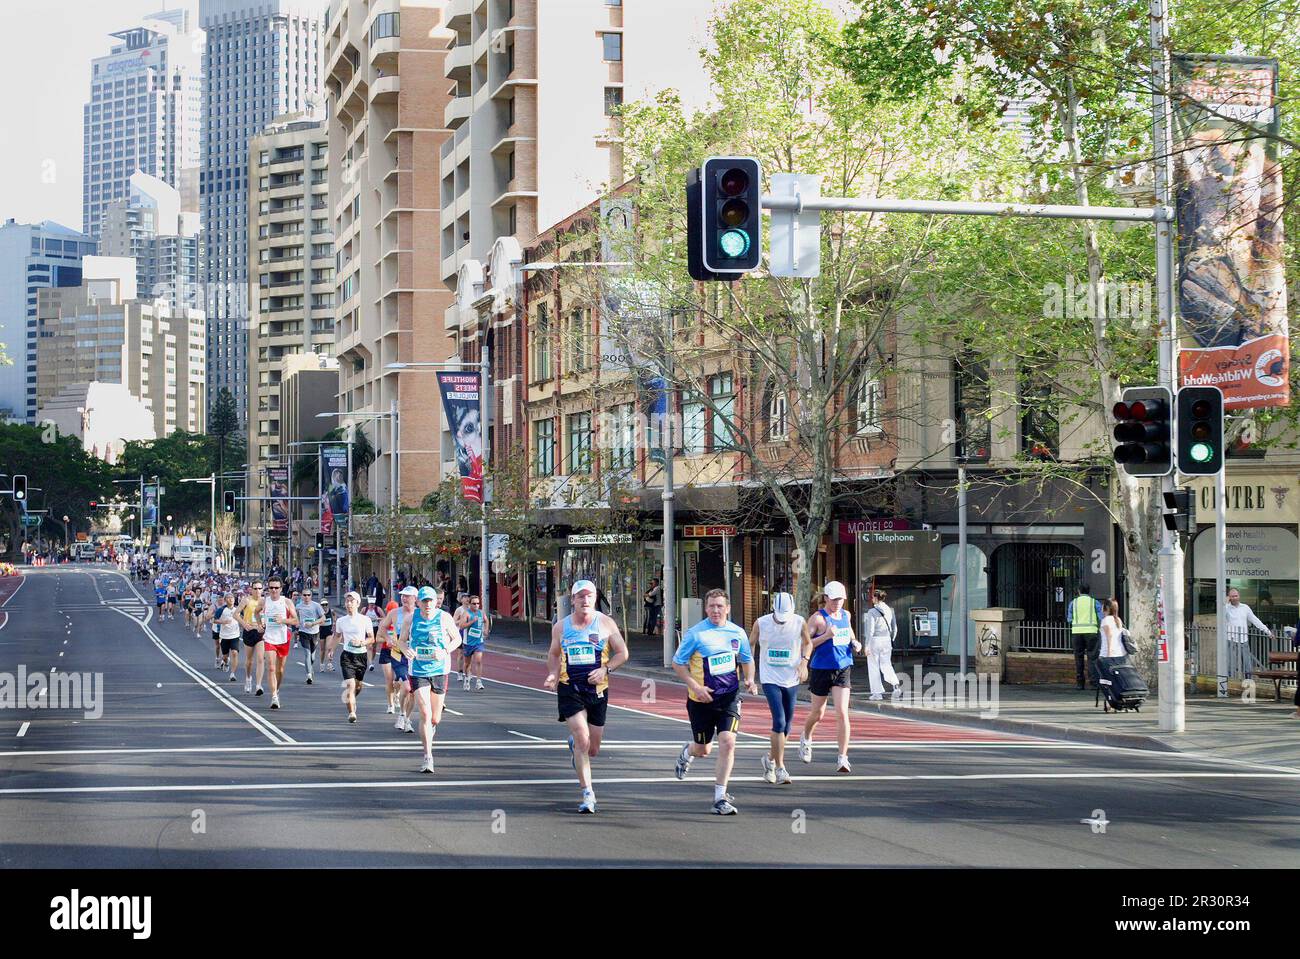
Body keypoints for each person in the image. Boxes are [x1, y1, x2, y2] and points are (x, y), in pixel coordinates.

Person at [544, 580, 629, 814]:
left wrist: (605, 669)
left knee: (593, 748)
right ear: (573, 600)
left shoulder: (606, 623)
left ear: (595, 598)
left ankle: (577, 746)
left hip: (598, 690)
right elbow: (553, 654)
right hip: (570, 688)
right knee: (582, 737)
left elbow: (623, 653)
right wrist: (552, 674)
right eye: (580, 596)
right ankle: (588, 793)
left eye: (589, 596)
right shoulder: (561, 627)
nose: (585, 600)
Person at [672, 589, 757, 815]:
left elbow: (747, 660)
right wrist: (696, 687)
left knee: (728, 742)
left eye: (720, 606)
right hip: (701, 701)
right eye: (711, 606)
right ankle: (688, 753)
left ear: (728, 608)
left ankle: (720, 797)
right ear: (706, 608)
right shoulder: (696, 634)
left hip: (729, 697)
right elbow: (677, 664)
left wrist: (749, 679)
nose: (716, 610)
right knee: (703, 749)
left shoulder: (737, 633)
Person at [394, 586, 462, 774]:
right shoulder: (410, 619)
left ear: (435, 601)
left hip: (440, 669)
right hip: (418, 670)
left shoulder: (444, 617)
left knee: (435, 718)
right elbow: (401, 639)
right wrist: (405, 649)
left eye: (431, 600)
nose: (428, 604)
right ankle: (428, 757)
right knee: (424, 712)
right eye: (424, 601)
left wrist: (445, 650)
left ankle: (431, 728)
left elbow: (457, 639)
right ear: (418, 602)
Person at [797, 581, 861, 773]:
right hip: (821, 669)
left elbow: (849, 634)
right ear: (826, 598)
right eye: (834, 599)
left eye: (841, 599)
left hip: (842, 667)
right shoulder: (817, 619)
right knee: (818, 713)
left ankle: (843, 758)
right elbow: (805, 644)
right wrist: (825, 636)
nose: (838, 603)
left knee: (842, 712)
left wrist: (855, 643)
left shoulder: (846, 615)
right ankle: (806, 737)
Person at [748, 592, 809, 785]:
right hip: (770, 677)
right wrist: (750, 674)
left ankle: (770, 759)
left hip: (791, 678)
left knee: (787, 725)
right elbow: (750, 645)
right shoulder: (761, 623)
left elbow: (808, 643)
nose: (783, 622)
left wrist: (804, 662)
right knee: (779, 721)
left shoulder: (799, 622)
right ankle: (780, 767)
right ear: (773, 609)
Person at [377, 589, 416, 733]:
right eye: (403, 596)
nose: (404, 598)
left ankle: (406, 718)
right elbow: (382, 628)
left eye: (407, 596)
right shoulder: (394, 613)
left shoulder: (419, 614)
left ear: (415, 598)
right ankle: (401, 714)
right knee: (406, 687)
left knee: (412, 692)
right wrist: (388, 639)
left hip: (414, 656)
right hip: (399, 655)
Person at [335, 591, 375, 723]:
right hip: (347, 656)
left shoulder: (365, 620)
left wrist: (362, 642)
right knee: (350, 686)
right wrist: (331, 650)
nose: (348, 604)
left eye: (352, 601)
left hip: (361, 656)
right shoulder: (341, 621)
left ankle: (351, 698)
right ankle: (352, 712)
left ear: (357, 603)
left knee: (358, 687)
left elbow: (372, 639)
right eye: (347, 601)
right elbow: (337, 636)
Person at [260, 576, 299, 709]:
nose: (274, 590)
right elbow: (255, 612)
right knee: (270, 667)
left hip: (283, 638)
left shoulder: (287, 602)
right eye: (271, 588)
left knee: (280, 670)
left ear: (281, 589)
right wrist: (260, 624)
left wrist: (283, 620)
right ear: (268, 588)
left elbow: (296, 621)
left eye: (276, 587)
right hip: (269, 638)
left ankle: (276, 689)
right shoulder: (264, 602)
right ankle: (274, 697)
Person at [1224, 587, 1273, 680]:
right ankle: (1230, 682)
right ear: (1229, 597)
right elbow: (1222, 616)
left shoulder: (1245, 608)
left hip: (1243, 639)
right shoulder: (1226, 608)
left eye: (1236, 596)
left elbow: (1255, 620)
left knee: (1247, 663)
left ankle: (1248, 680)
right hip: (1231, 639)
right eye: (1232, 596)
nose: (1234, 598)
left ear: (1239, 596)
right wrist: (1226, 604)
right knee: (1230, 664)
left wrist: (1267, 631)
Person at [864, 587, 902, 702]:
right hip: (886, 640)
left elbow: (870, 631)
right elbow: (894, 628)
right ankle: (895, 684)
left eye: (873, 597)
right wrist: (891, 639)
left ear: (876, 598)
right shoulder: (890, 610)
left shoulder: (872, 612)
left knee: (873, 666)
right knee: (886, 665)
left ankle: (877, 693)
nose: (872, 599)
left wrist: (866, 645)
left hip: (874, 640)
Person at [1068, 583, 1103, 690]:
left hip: (1077, 633)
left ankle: (1080, 683)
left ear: (1079, 591)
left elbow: (1069, 619)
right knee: (1092, 658)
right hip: (1092, 632)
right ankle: (1093, 682)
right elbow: (1101, 617)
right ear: (1089, 591)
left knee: (1078, 657)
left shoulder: (1073, 603)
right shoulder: (1094, 602)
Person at [1097, 598, 1128, 714]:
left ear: (1106, 608)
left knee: (1107, 680)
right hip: (1120, 653)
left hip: (1108, 654)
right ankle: (1118, 702)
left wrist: (1109, 654)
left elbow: (1109, 637)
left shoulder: (1105, 621)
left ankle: (1112, 703)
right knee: (1117, 680)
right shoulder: (1118, 620)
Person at [457, 593, 490, 692]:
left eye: (478, 603)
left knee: (479, 661)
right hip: (468, 642)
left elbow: (486, 620)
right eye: (474, 603)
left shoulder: (481, 613)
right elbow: (462, 626)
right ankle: (467, 679)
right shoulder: (466, 613)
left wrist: (486, 630)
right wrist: (472, 622)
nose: (476, 605)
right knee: (467, 663)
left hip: (478, 642)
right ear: (470, 604)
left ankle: (479, 681)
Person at [239, 581, 266, 695]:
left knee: (260, 659)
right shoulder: (246, 600)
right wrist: (244, 624)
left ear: (263, 589)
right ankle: (248, 679)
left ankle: (258, 685)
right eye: (255, 588)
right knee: (249, 661)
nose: (257, 591)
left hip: (260, 632)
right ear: (251, 589)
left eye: (260, 588)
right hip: (249, 632)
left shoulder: (265, 601)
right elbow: (235, 614)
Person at [297, 588, 324, 685]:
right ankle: (309, 675)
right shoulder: (298, 606)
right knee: (307, 654)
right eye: (304, 595)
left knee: (312, 657)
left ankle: (310, 667)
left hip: (315, 633)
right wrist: (297, 623)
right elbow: (295, 617)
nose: (306, 597)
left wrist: (313, 623)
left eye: (308, 595)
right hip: (303, 632)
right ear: (302, 596)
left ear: (311, 596)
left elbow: (323, 618)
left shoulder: (316, 606)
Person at [216, 593, 241, 682]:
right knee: (225, 656)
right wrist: (223, 621)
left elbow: (243, 618)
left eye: (232, 598)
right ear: (226, 600)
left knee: (234, 652)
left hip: (235, 635)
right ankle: (226, 662)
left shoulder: (238, 609)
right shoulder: (221, 610)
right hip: (224, 636)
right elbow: (214, 620)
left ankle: (232, 674)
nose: (231, 599)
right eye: (229, 598)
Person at [318, 597, 335, 673]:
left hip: (329, 631)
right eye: (323, 605)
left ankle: (330, 664)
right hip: (322, 631)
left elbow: (334, 615)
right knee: (322, 650)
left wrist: (334, 621)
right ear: (320, 605)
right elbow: (316, 621)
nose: (324, 606)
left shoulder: (331, 611)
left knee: (329, 647)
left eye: (326, 604)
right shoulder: (318, 612)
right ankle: (321, 664)